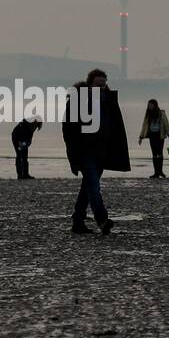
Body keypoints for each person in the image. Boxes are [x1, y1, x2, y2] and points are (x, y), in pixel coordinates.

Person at [62, 68, 130, 235]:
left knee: (87, 188)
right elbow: (68, 130)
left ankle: (78, 222)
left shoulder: (107, 101)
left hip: (102, 152)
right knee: (93, 187)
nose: (101, 88)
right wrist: (73, 154)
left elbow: (115, 127)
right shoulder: (77, 101)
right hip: (85, 153)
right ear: (89, 84)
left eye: (104, 85)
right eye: (98, 85)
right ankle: (102, 219)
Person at [138, 99, 169, 178]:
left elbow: (166, 124)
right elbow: (144, 125)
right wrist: (141, 137)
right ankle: (156, 172)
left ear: (155, 105)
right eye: (148, 105)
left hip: (160, 135)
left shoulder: (161, 113)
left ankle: (160, 171)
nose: (149, 106)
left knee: (160, 153)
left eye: (151, 105)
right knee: (154, 154)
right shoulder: (148, 114)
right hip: (152, 135)